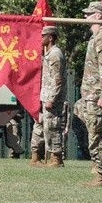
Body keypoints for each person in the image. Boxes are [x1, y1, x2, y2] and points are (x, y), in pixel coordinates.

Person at [77, 1, 102, 186]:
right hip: (91, 95)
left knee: (98, 135)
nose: (85, 16)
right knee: (94, 134)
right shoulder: (96, 37)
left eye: (89, 13)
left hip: (97, 95)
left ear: (98, 16)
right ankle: (99, 171)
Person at [32, 23, 66, 167]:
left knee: (53, 127)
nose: (40, 38)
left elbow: (57, 80)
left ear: (50, 38)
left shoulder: (55, 54)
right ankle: (36, 157)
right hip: (45, 97)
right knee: (42, 126)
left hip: (52, 99)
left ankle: (56, 158)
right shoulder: (48, 54)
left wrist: (51, 99)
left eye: (43, 36)